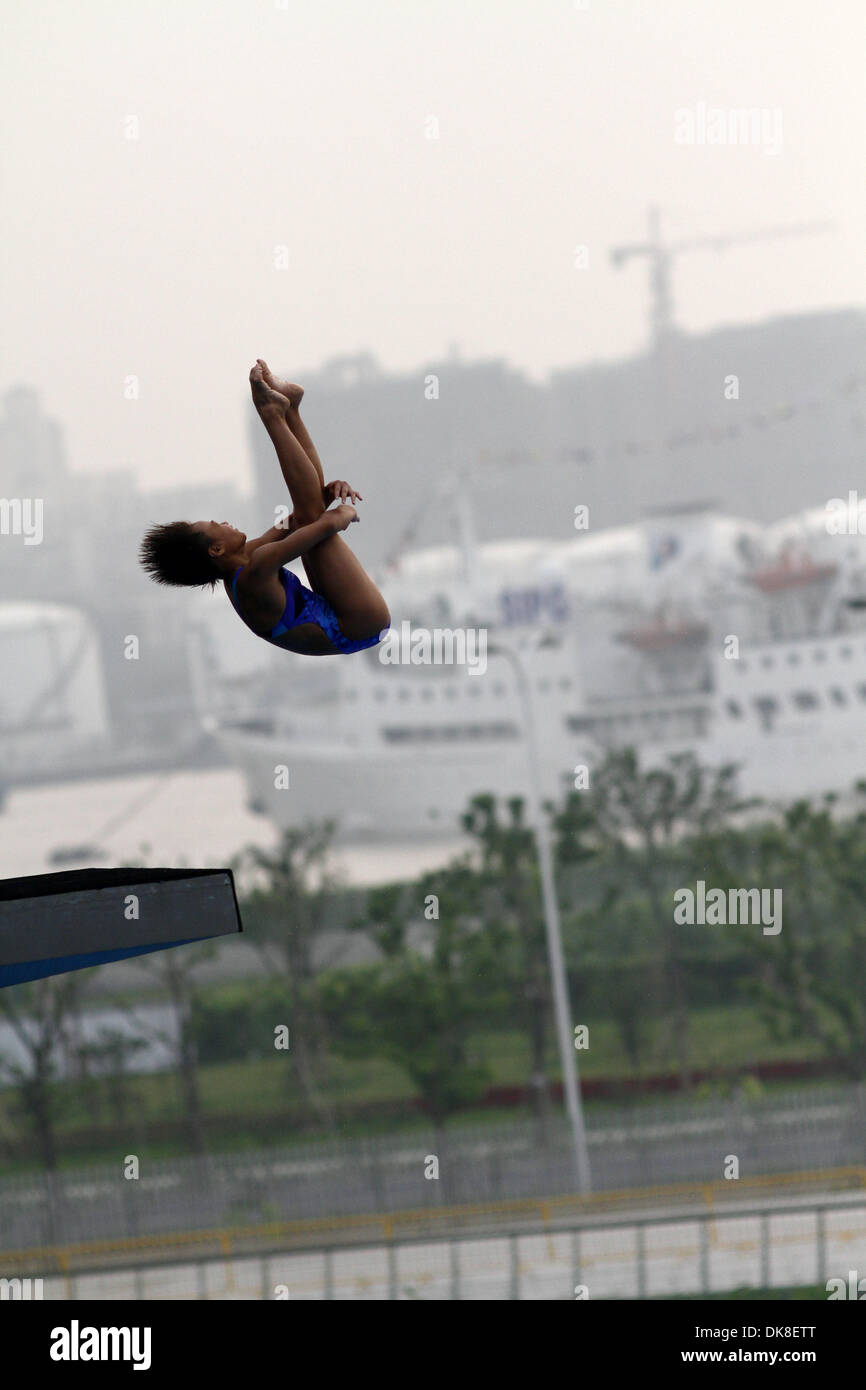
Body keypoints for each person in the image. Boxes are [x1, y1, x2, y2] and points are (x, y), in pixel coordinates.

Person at [139, 361, 390, 656]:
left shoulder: (247, 559)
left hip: (339, 615)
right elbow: (323, 525)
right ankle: (274, 413)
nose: (223, 522)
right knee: (312, 516)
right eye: (214, 524)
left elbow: (297, 521)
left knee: (309, 512)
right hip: (360, 623)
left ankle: (290, 409)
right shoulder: (255, 572)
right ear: (217, 549)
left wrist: (328, 496)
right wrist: (343, 512)